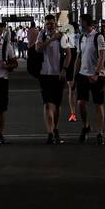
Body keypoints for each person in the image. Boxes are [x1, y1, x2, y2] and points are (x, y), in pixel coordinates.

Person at [74, 16, 105, 145]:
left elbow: (102, 56)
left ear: (86, 24)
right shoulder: (81, 38)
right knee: (81, 103)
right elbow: (79, 57)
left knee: (98, 104)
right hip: (83, 74)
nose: (79, 25)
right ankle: (86, 126)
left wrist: (96, 73)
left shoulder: (97, 37)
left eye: (81, 23)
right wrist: (74, 76)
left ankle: (100, 133)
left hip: (97, 75)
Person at [34, 13, 67, 144]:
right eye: (47, 23)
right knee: (48, 104)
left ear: (55, 23)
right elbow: (38, 48)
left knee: (57, 105)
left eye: (52, 23)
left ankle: (55, 128)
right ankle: (50, 132)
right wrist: (52, 39)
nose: (50, 26)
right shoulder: (41, 35)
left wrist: (64, 69)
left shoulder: (63, 36)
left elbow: (69, 54)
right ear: (44, 24)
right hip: (44, 74)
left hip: (58, 74)